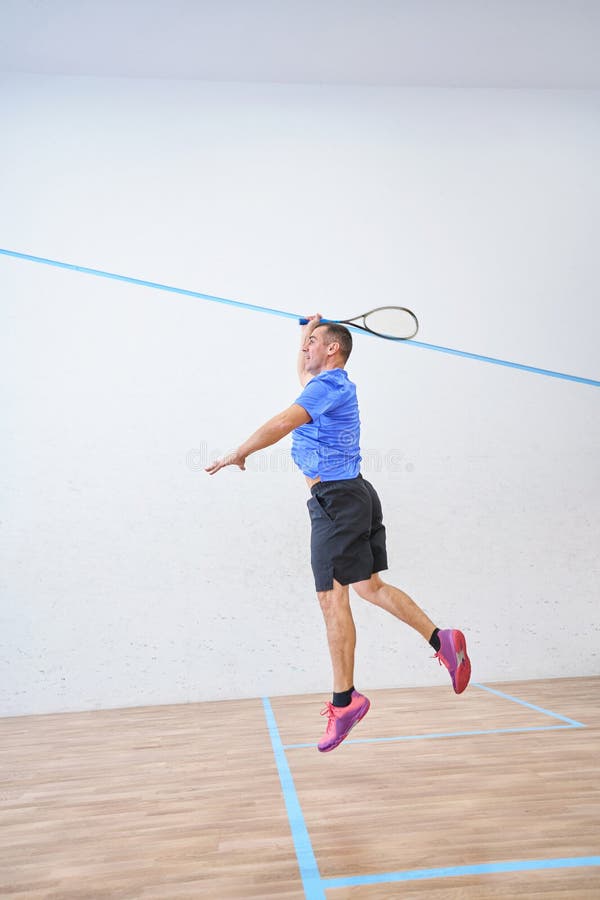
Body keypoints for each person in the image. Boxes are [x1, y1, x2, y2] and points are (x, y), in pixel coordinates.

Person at [206, 314, 471, 752]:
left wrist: (240, 451)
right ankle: (441, 640)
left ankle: (345, 702)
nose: (305, 348)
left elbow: (281, 422)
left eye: (313, 342)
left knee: (332, 600)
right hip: (355, 495)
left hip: (335, 502)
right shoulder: (328, 386)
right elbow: (302, 370)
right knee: (369, 587)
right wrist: (306, 330)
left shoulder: (328, 387)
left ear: (332, 349)